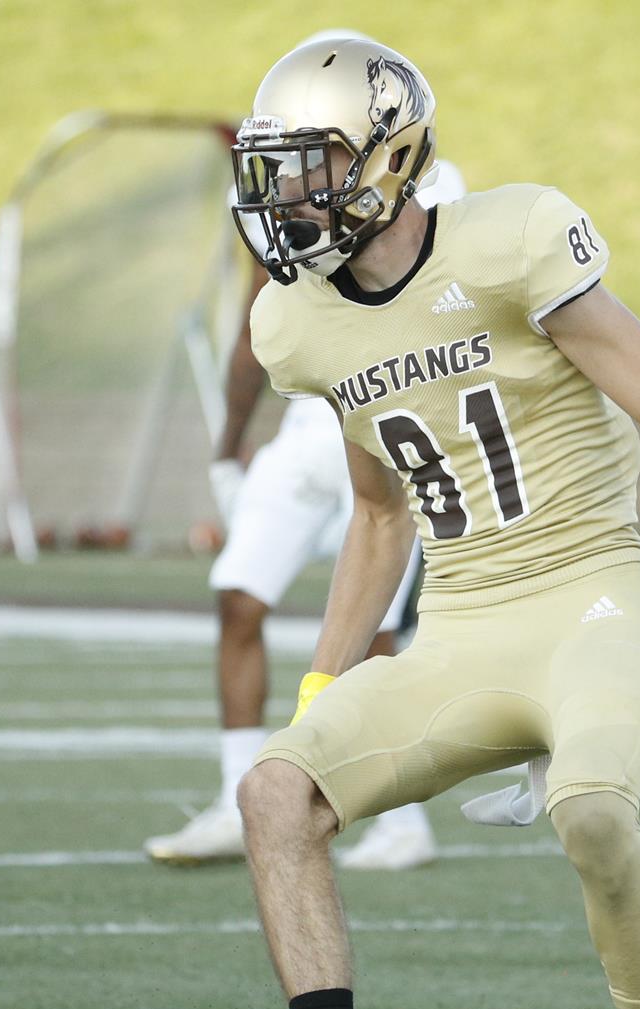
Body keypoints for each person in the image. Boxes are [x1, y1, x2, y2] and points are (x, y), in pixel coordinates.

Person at [226, 38, 640, 1009]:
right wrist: (323, 684)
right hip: (456, 628)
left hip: (588, 597)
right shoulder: (295, 321)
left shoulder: (513, 240)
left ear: (389, 157)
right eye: (280, 167)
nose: (291, 196)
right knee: (274, 792)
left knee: (591, 814)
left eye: (315, 163)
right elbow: (376, 509)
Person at [144, 33, 468, 874]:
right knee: (237, 599)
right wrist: (227, 448)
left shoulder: (443, 204)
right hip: (307, 434)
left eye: (311, 150)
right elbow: (264, 323)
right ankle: (235, 795)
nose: (291, 179)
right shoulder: (295, 204)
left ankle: (400, 818)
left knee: (376, 643)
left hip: (390, 434)